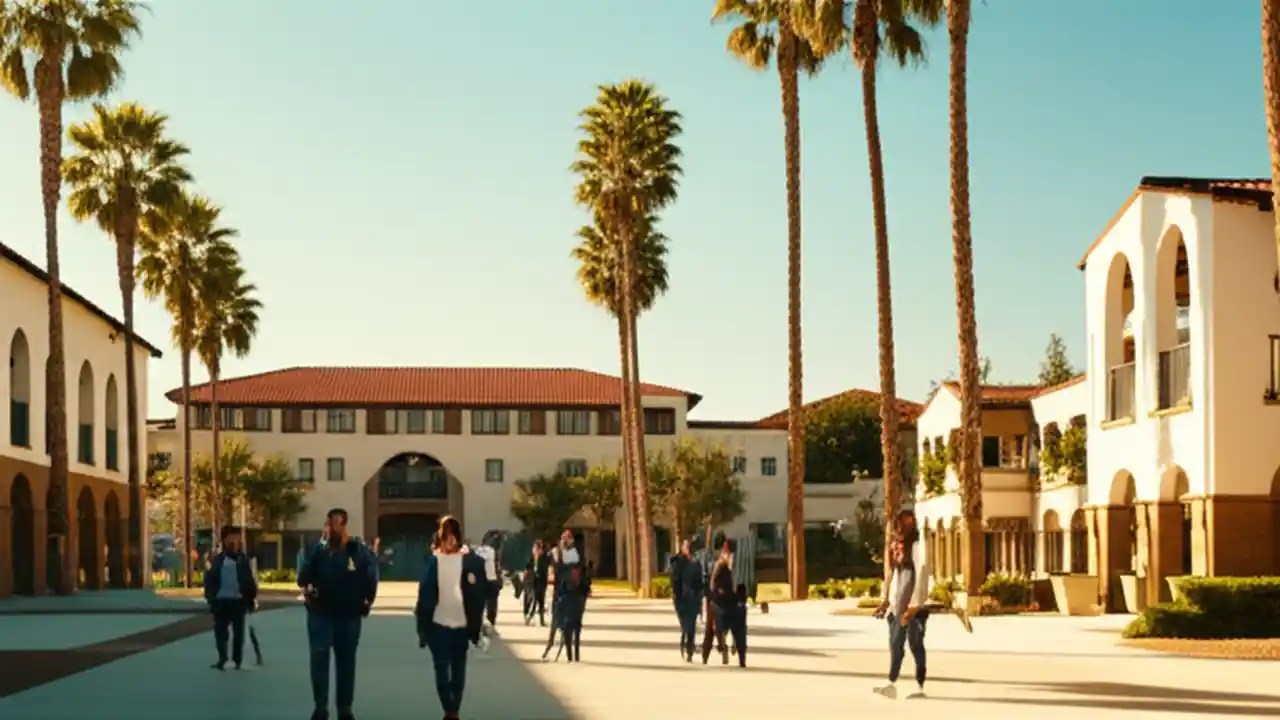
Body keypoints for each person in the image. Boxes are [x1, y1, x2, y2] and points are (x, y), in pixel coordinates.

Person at [298, 508, 378, 720]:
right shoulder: (317, 551)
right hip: (320, 614)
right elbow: (303, 577)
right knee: (319, 659)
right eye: (331, 523)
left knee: (346, 662)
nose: (334, 528)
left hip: (348, 615)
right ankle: (320, 707)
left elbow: (370, 576)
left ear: (345, 525)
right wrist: (319, 549)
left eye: (338, 523)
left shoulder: (357, 550)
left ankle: (345, 708)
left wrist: (367, 602)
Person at [415, 515, 487, 720]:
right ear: (440, 537)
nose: (450, 540)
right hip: (438, 623)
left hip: (461, 624)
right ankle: (448, 707)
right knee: (440, 668)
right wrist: (422, 626)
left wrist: (477, 622)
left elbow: (480, 591)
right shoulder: (433, 561)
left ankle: (454, 708)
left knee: (458, 670)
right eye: (446, 535)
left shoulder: (470, 562)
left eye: (453, 535)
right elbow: (424, 595)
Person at [874, 510, 930, 700]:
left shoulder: (916, 547)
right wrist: (885, 601)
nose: (901, 527)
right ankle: (892, 684)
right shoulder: (896, 548)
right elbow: (891, 576)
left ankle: (919, 686)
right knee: (895, 643)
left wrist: (914, 605)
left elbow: (921, 574)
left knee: (915, 644)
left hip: (912, 607)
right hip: (895, 606)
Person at [203, 526, 258, 671]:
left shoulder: (243, 560)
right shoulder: (218, 560)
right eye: (231, 538)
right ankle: (222, 658)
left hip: (238, 601)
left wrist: (251, 598)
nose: (234, 541)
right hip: (221, 601)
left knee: (238, 634)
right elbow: (210, 580)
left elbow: (248, 580)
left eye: (237, 538)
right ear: (224, 540)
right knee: (220, 632)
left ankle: (237, 660)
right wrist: (210, 598)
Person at [670, 540, 703, 663]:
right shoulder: (677, 563)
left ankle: (689, 649)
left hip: (693, 600)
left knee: (691, 626)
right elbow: (674, 581)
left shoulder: (696, 565)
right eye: (686, 546)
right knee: (686, 625)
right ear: (682, 548)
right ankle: (685, 643)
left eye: (689, 547)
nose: (688, 549)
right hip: (681, 600)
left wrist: (699, 596)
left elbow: (700, 583)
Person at [701, 539, 733, 665]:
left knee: (714, 630)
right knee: (715, 630)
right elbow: (714, 585)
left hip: (718, 602)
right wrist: (720, 593)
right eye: (727, 554)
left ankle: (712, 653)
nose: (729, 557)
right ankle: (719, 650)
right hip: (717, 602)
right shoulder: (721, 567)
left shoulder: (725, 568)